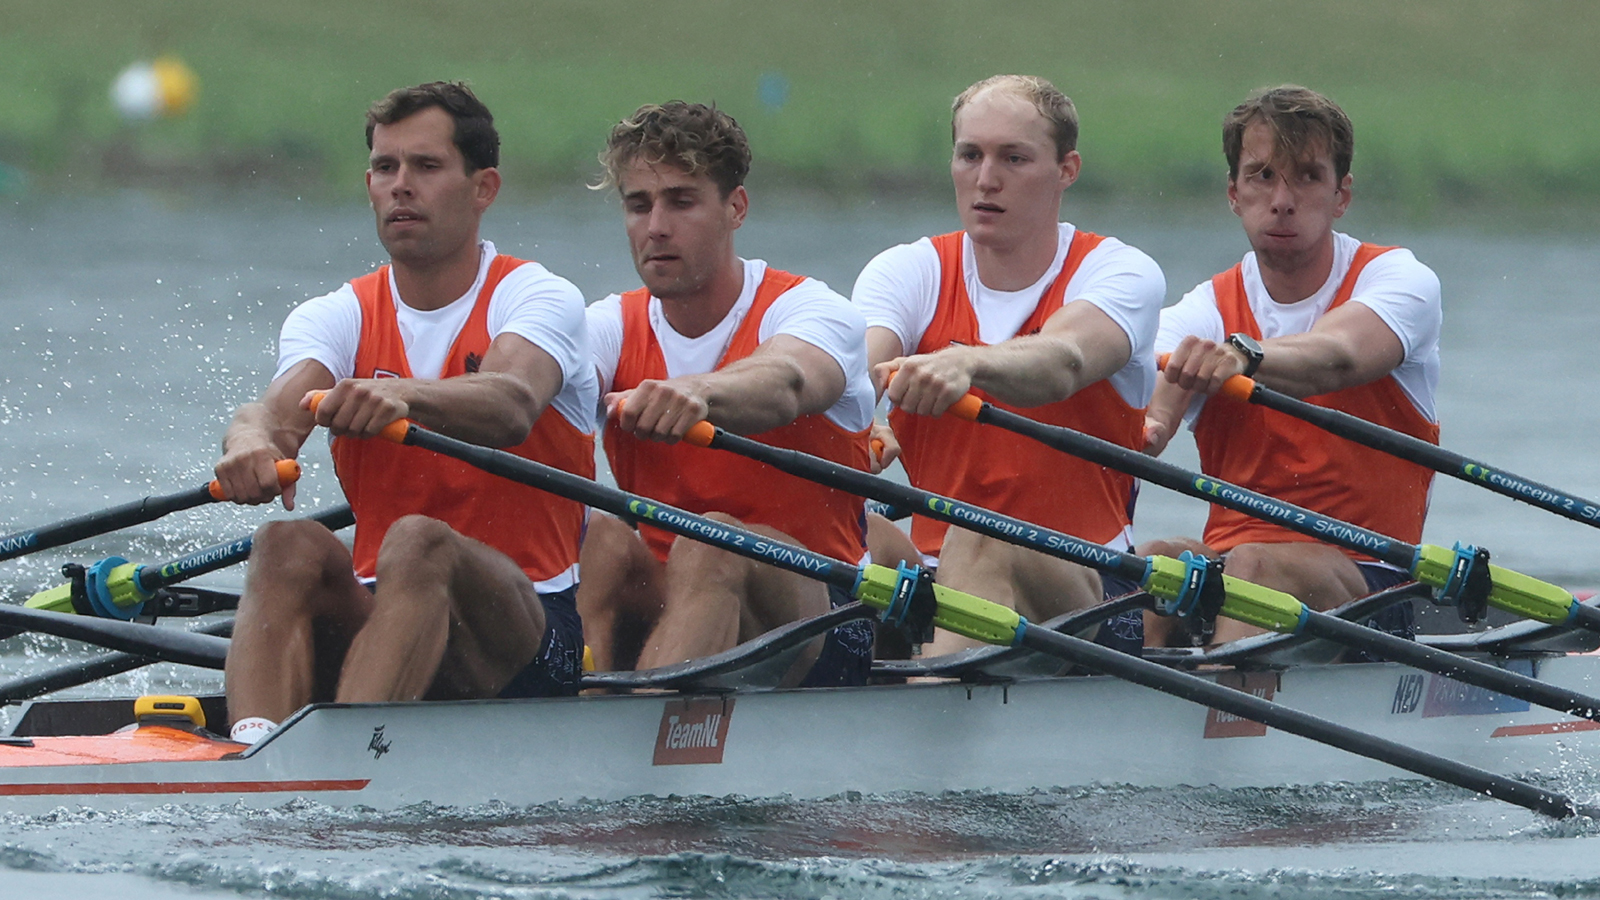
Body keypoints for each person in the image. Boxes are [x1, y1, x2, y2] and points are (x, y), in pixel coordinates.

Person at [213, 82, 598, 743]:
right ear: (369, 186)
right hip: (383, 613)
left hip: (527, 633)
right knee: (284, 543)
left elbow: (510, 403)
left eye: (426, 166)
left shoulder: (536, 298)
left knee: (420, 541)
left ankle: (349, 763)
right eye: (385, 168)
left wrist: (403, 396)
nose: (401, 186)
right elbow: (273, 418)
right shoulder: (336, 315)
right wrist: (249, 443)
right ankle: (253, 751)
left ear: (483, 188)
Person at [853, 74, 1165, 656]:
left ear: (1067, 170)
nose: (986, 179)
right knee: (827, 529)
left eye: (1014, 159)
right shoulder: (908, 272)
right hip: (932, 571)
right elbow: (855, 371)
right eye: (970, 155)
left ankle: (930, 693)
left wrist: (967, 364)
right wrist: (855, 415)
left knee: (981, 534)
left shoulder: (1120, 272)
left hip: (1092, 587)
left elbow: (1065, 360)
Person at [579, 101, 877, 685]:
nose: (656, 226)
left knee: (712, 541)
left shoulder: (812, 310)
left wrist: (698, 392)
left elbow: (787, 380)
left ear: (735, 208)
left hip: (825, 612)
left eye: (681, 202)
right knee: (602, 537)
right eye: (638, 205)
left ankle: (636, 726)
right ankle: (575, 709)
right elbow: (540, 389)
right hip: (669, 596)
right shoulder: (606, 325)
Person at [1141, 85, 1441, 646]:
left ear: (1340, 195)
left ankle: (1225, 690)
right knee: (1156, 562)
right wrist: (1150, 423)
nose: (1282, 199)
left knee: (1255, 566)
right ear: (1234, 194)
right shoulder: (1202, 310)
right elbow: (1146, 402)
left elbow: (1337, 357)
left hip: (1376, 581)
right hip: (1233, 568)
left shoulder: (1398, 281)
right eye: (1262, 176)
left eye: (1306, 176)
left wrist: (1244, 356)